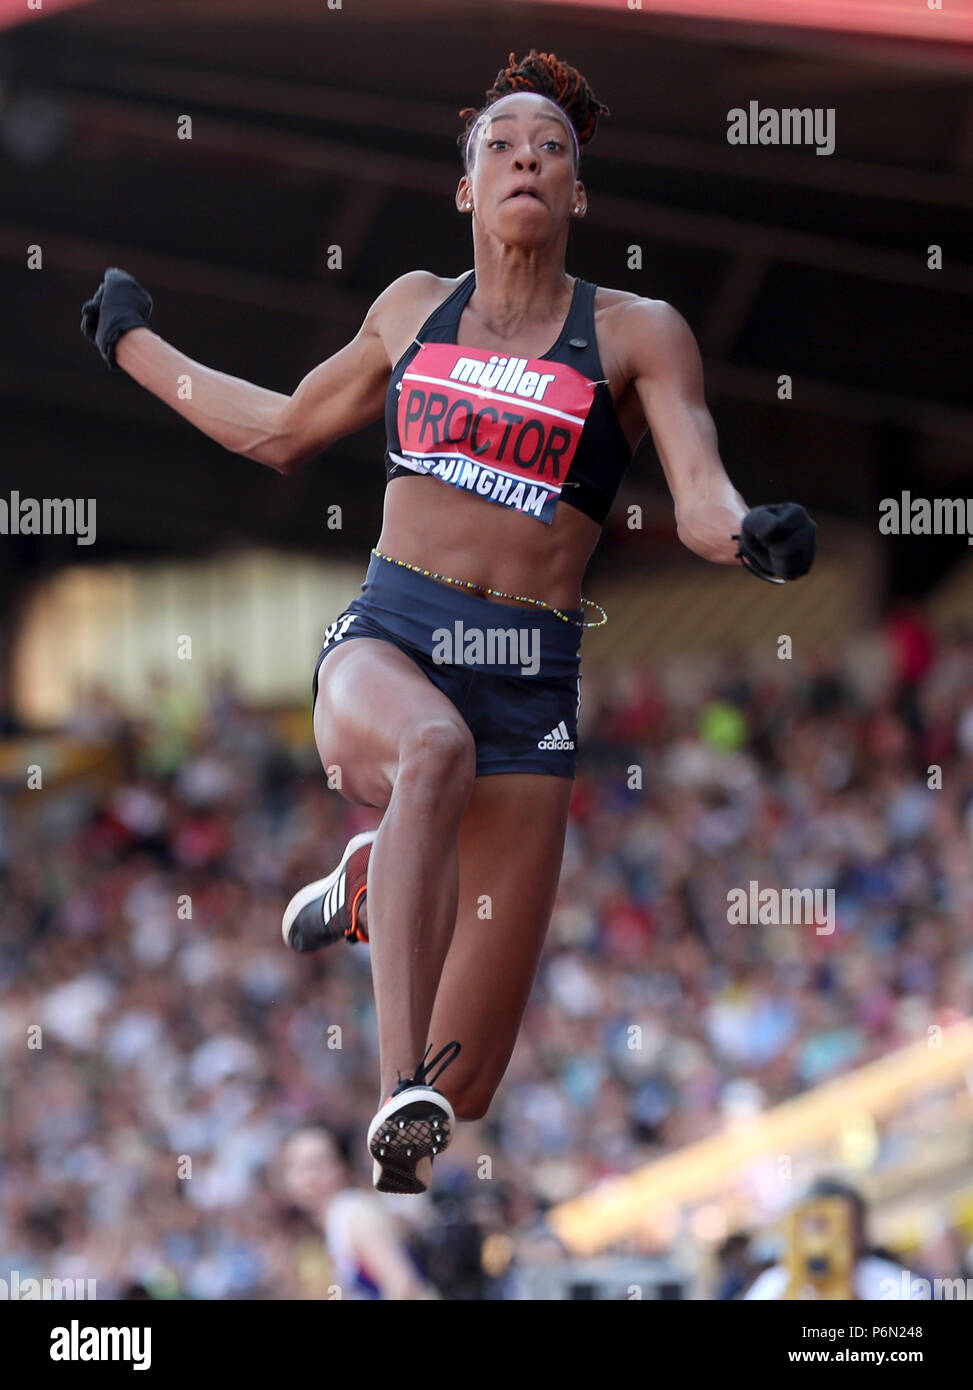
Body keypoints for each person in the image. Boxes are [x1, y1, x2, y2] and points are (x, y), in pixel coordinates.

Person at [80, 48, 816, 1197]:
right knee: (429, 754)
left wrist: (751, 538)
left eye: (553, 148)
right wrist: (132, 342)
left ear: (578, 195)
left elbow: (700, 495)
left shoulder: (636, 334)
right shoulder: (411, 311)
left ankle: (377, 897)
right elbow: (278, 430)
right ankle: (392, 1090)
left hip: (530, 677)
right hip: (391, 639)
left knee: (471, 1082)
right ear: (467, 188)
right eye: (501, 144)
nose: (528, 156)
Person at [280, 1128, 439, 1300]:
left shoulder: (353, 1212)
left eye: (318, 1164)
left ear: (342, 1166)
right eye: (298, 1166)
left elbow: (402, 1285)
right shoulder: (335, 1220)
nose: (308, 1177)